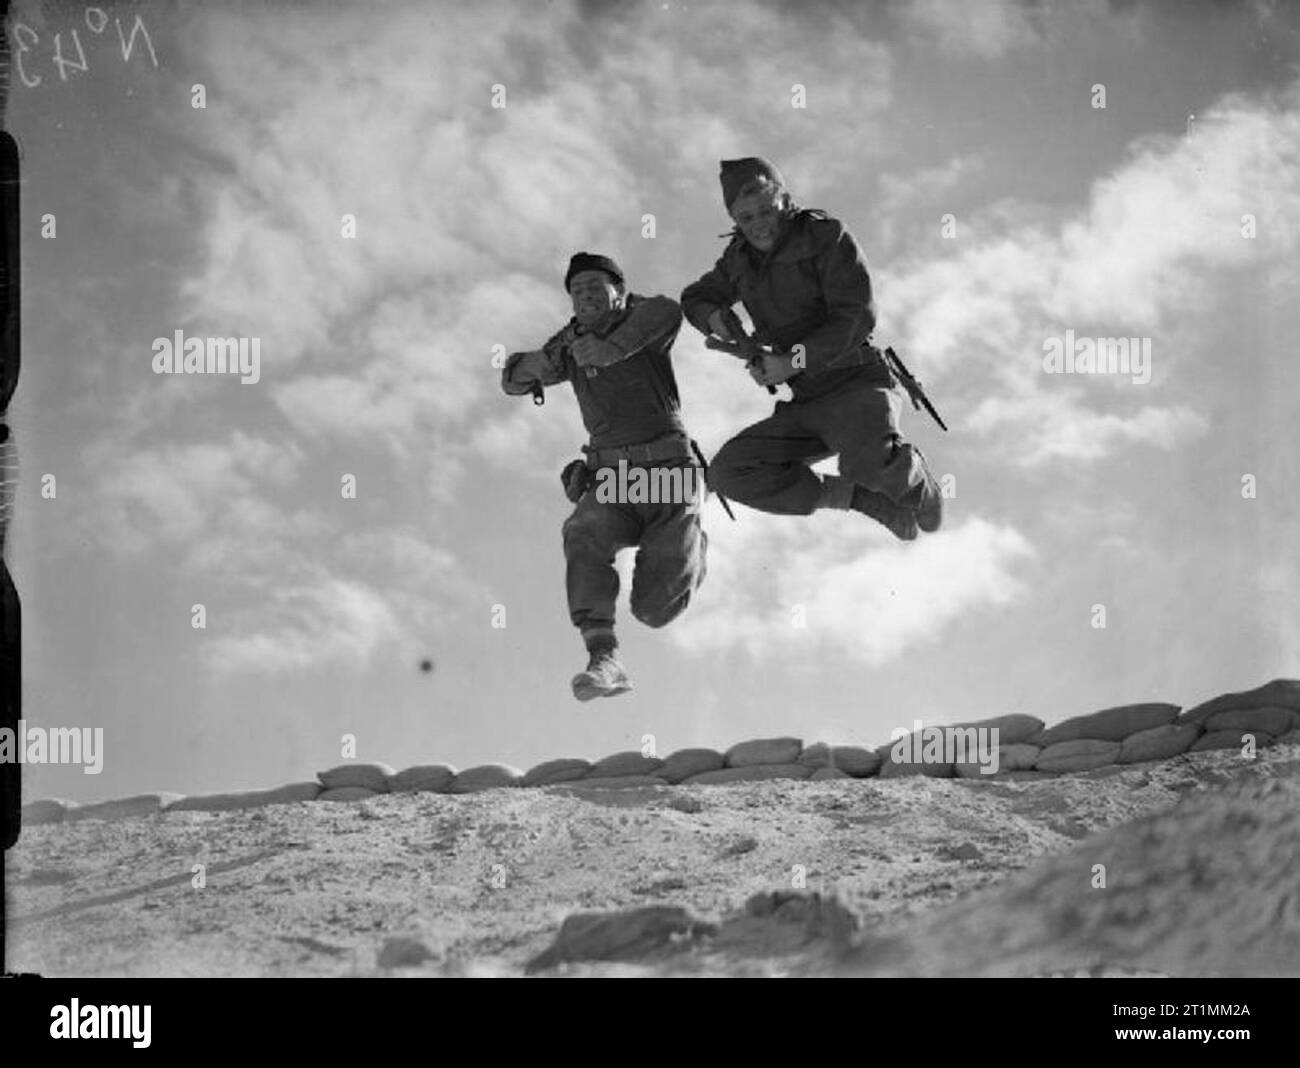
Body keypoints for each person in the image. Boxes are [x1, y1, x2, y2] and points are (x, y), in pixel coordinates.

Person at [680, 157, 942, 540]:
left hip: (857, 384)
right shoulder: (738, 259)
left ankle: (917, 483)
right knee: (729, 472)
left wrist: (791, 361)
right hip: (807, 404)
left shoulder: (824, 235)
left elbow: (857, 315)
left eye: (766, 210)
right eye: (746, 217)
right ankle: (862, 499)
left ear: (784, 200)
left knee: (868, 466)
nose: (758, 225)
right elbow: (696, 297)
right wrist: (718, 320)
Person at [501, 253, 707, 701]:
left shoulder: (643, 318)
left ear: (619, 291)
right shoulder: (571, 341)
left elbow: (669, 311)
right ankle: (604, 657)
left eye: (596, 286)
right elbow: (514, 379)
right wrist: (531, 367)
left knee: (655, 610)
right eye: (577, 291)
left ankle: (692, 549)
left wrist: (614, 348)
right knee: (583, 530)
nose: (586, 295)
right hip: (616, 477)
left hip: (668, 472)